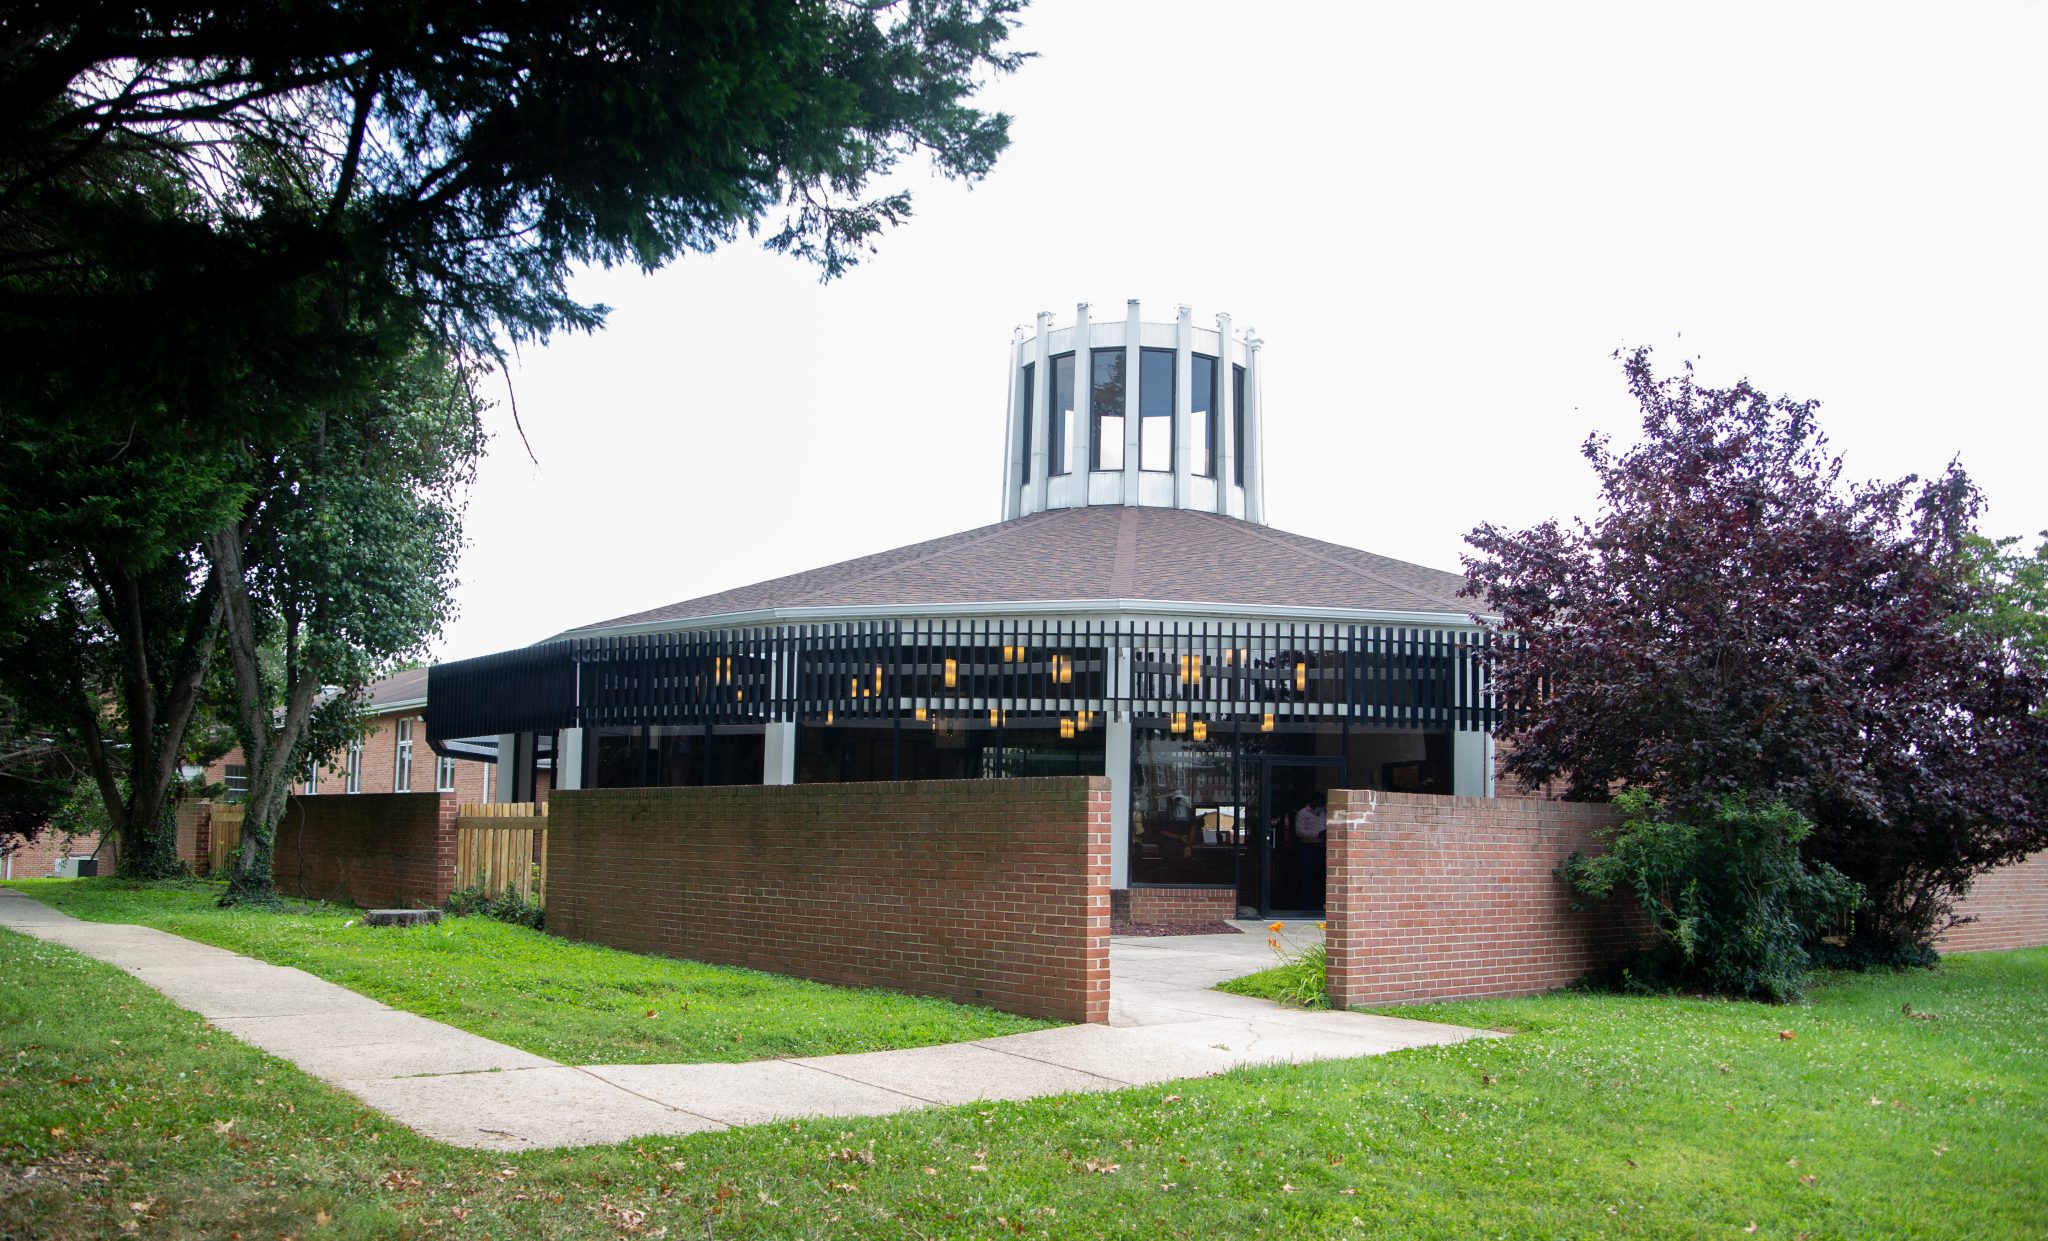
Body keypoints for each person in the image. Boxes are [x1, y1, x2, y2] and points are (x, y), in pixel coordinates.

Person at [1294, 792, 1327, 909]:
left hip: (1322, 848)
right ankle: (1306, 905)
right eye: (1318, 803)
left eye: (1322, 804)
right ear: (1312, 802)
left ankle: (1318, 904)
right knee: (1307, 876)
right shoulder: (1303, 814)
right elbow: (1300, 832)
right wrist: (1317, 834)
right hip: (1308, 848)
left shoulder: (1323, 813)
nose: (1320, 806)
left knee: (1320, 877)